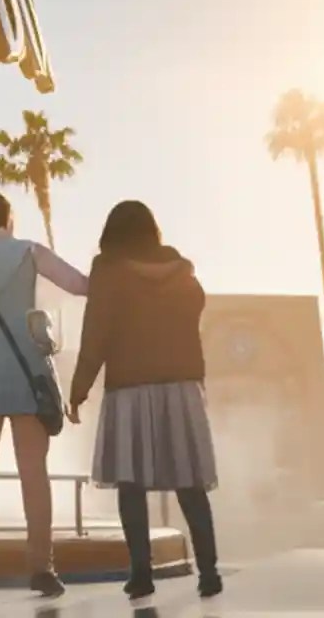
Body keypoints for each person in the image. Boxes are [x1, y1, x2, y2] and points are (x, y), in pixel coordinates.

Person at [66, 200, 221, 600]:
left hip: (130, 386)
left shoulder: (108, 270)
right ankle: (209, 571)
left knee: (130, 483)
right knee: (190, 481)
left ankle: (141, 574)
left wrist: (79, 389)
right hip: (180, 385)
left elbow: (96, 331)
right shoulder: (183, 272)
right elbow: (193, 317)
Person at [0, 191, 89, 597]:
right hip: (27, 372)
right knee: (34, 474)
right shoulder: (30, 252)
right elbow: (78, 284)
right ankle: (42, 568)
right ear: (9, 217)